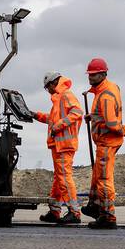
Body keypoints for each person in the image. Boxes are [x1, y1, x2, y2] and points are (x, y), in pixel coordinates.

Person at [82, 57, 125, 229]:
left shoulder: (104, 95)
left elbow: (111, 123)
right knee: (98, 176)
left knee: (104, 179)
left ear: (103, 74)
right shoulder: (108, 89)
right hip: (106, 141)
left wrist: (124, 130)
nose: (90, 77)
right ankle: (96, 207)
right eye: (89, 74)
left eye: (94, 75)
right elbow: (105, 114)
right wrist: (93, 116)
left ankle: (108, 216)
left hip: (107, 141)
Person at [32, 70, 83, 225]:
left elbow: (77, 112)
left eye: (48, 87)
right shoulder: (58, 99)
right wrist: (36, 115)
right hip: (59, 145)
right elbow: (52, 119)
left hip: (64, 145)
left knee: (64, 177)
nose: (48, 91)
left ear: (54, 83)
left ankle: (75, 212)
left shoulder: (66, 95)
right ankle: (55, 211)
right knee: (58, 179)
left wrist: (59, 126)